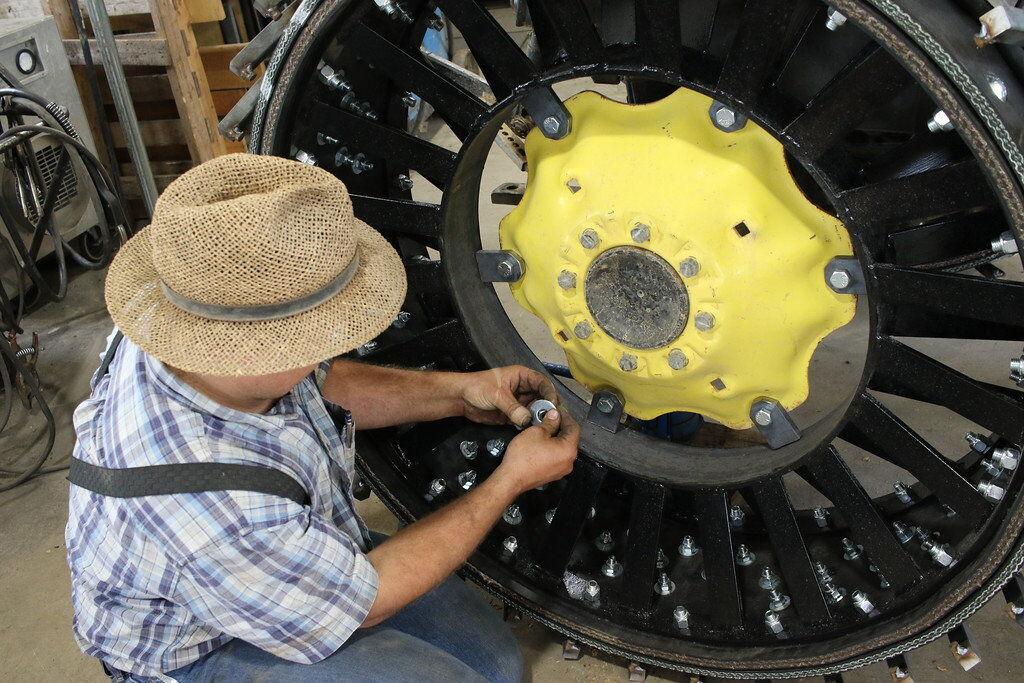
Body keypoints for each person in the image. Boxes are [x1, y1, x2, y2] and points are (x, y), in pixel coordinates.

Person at [65, 153, 580, 682]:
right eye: (322, 332)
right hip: (199, 645)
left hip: (268, 558)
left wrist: (461, 394)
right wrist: (509, 481)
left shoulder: (189, 315)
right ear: (258, 352)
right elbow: (368, 600)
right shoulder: (211, 504)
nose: (336, 342)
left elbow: (315, 381)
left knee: (496, 664)